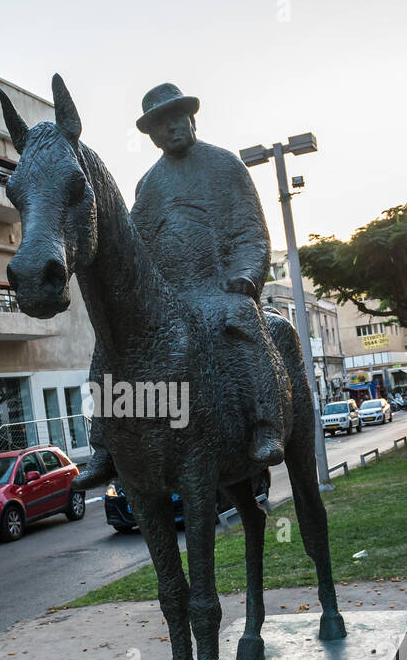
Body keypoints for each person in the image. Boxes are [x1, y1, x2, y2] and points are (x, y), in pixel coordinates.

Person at [72, 83, 285, 489]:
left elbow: (252, 234)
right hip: (170, 299)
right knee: (108, 345)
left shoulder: (226, 167)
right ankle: (105, 446)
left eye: (175, 118)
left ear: (192, 118)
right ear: (151, 135)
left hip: (218, 289)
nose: (170, 129)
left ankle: (265, 424)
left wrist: (245, 276)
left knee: (241, 316)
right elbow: (135, 250)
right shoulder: (149, 186)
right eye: (160, 125)